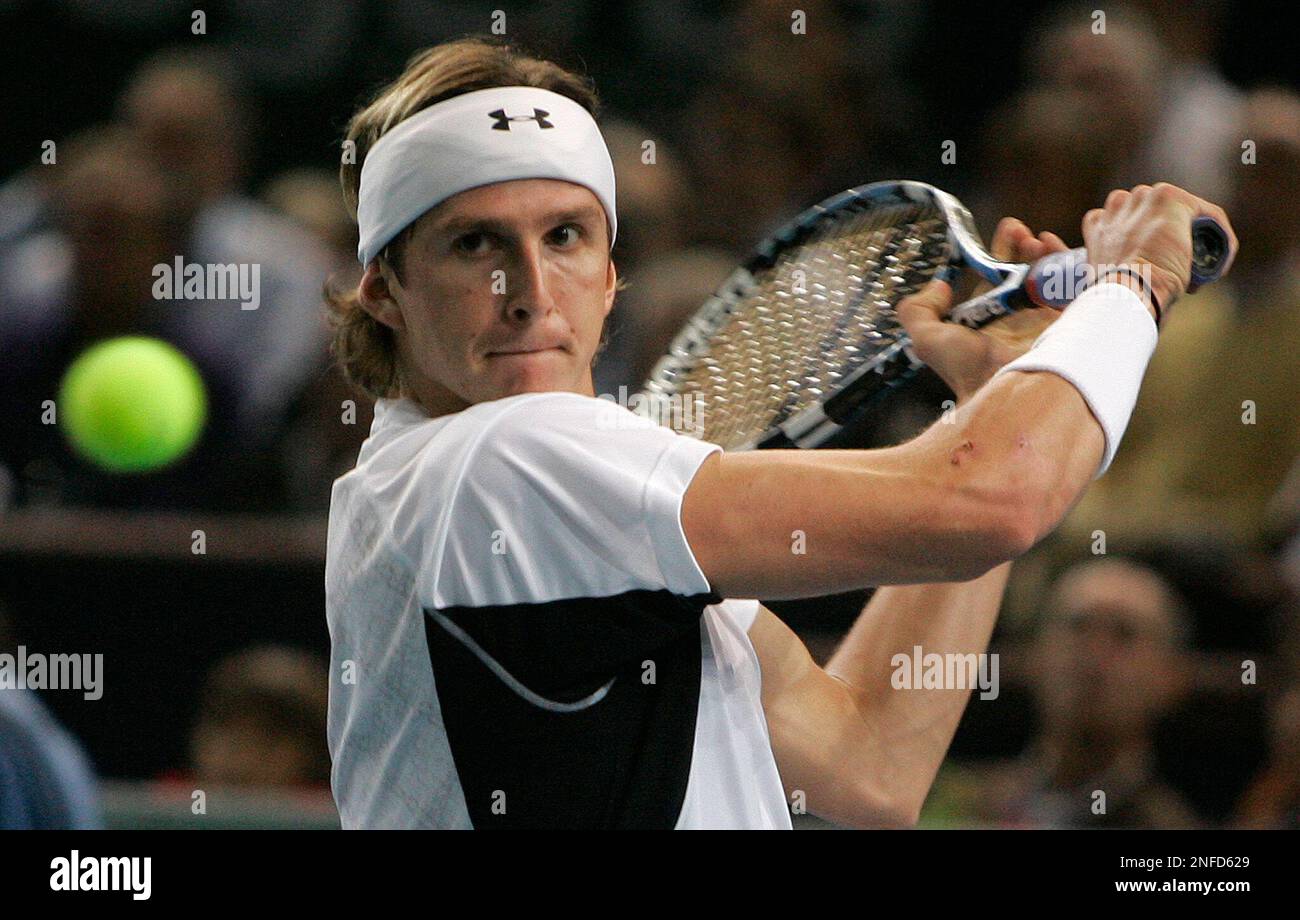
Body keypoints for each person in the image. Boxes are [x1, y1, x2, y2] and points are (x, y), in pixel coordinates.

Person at [322, 37, 1235, 829]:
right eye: (473, 245)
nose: (528, 290)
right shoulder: (501, 463)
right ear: (383, 290)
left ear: (609, 279)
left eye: (564, 236)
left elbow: (871, 762)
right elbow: (991, 498)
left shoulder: (477, 506)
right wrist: (1134, 286)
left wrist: (991, 396)